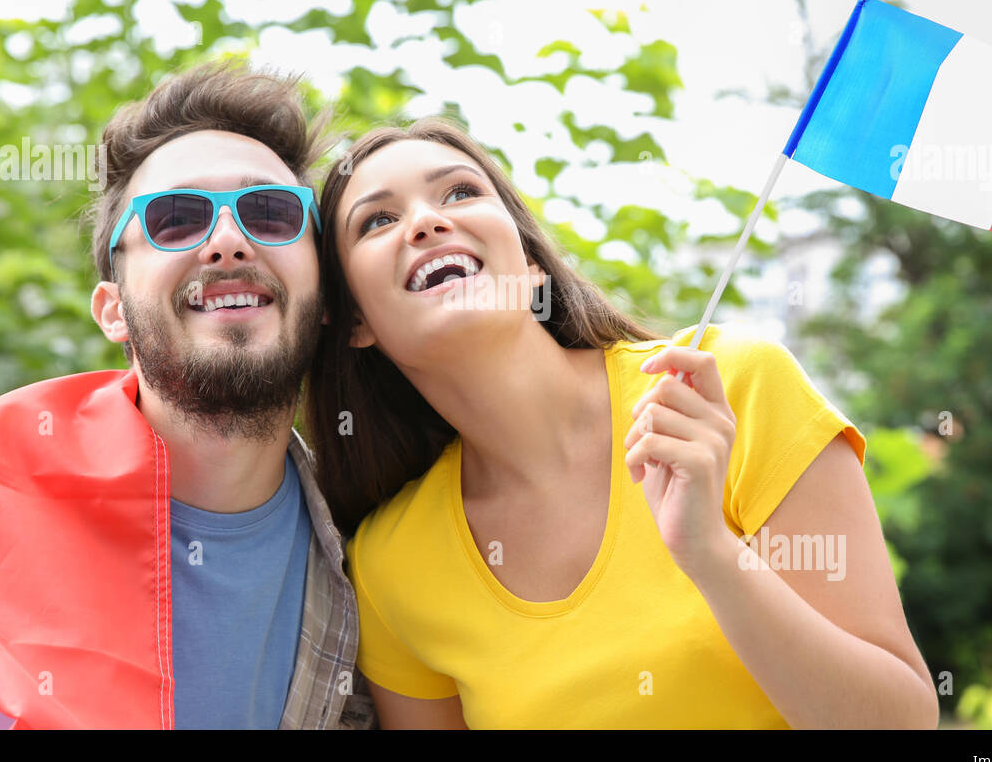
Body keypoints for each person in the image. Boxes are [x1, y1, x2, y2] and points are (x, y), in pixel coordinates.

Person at [303, 117, 941, 729]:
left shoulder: (730, 388)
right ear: (354, 320)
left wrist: (710, 555)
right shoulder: (389, 566)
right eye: (378, 220)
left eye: (461, 192)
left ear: (529, 264)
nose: (426, 221)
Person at [0, 61, 375, 730]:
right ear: (112, 309)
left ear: (327, 293)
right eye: (176, 219)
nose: (228, 242)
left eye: (271, 213)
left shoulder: (377, 543)